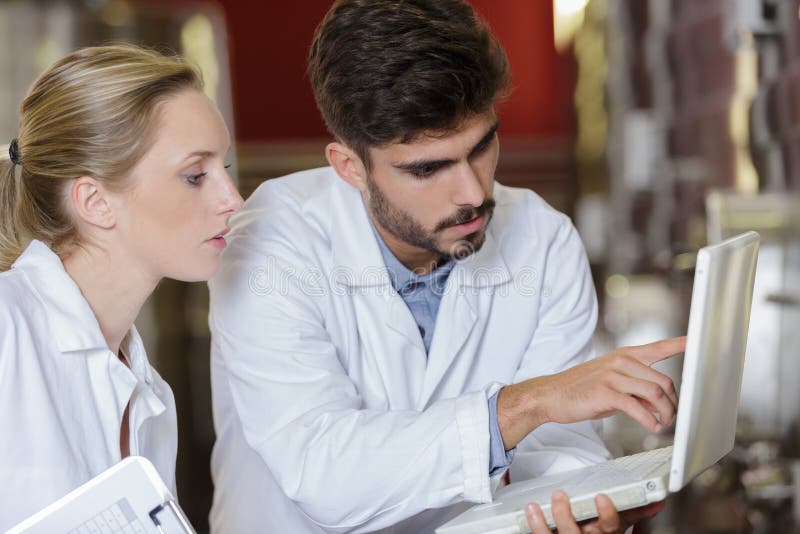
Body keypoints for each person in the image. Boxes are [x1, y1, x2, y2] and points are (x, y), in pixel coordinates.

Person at [207, 1, 684, 532]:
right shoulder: (272, 240)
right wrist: (531, 403)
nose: (474, 193)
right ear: (350, 168)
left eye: (481, 147)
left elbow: (557, 448)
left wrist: (583, 505)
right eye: (428, 169)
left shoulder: (544, 240)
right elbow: (324, 473)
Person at [0, 44, 243, 529]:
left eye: (225, 169)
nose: (232, 201)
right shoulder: (7, 328)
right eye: (195, 176)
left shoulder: (149, 392)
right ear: (95, 201)